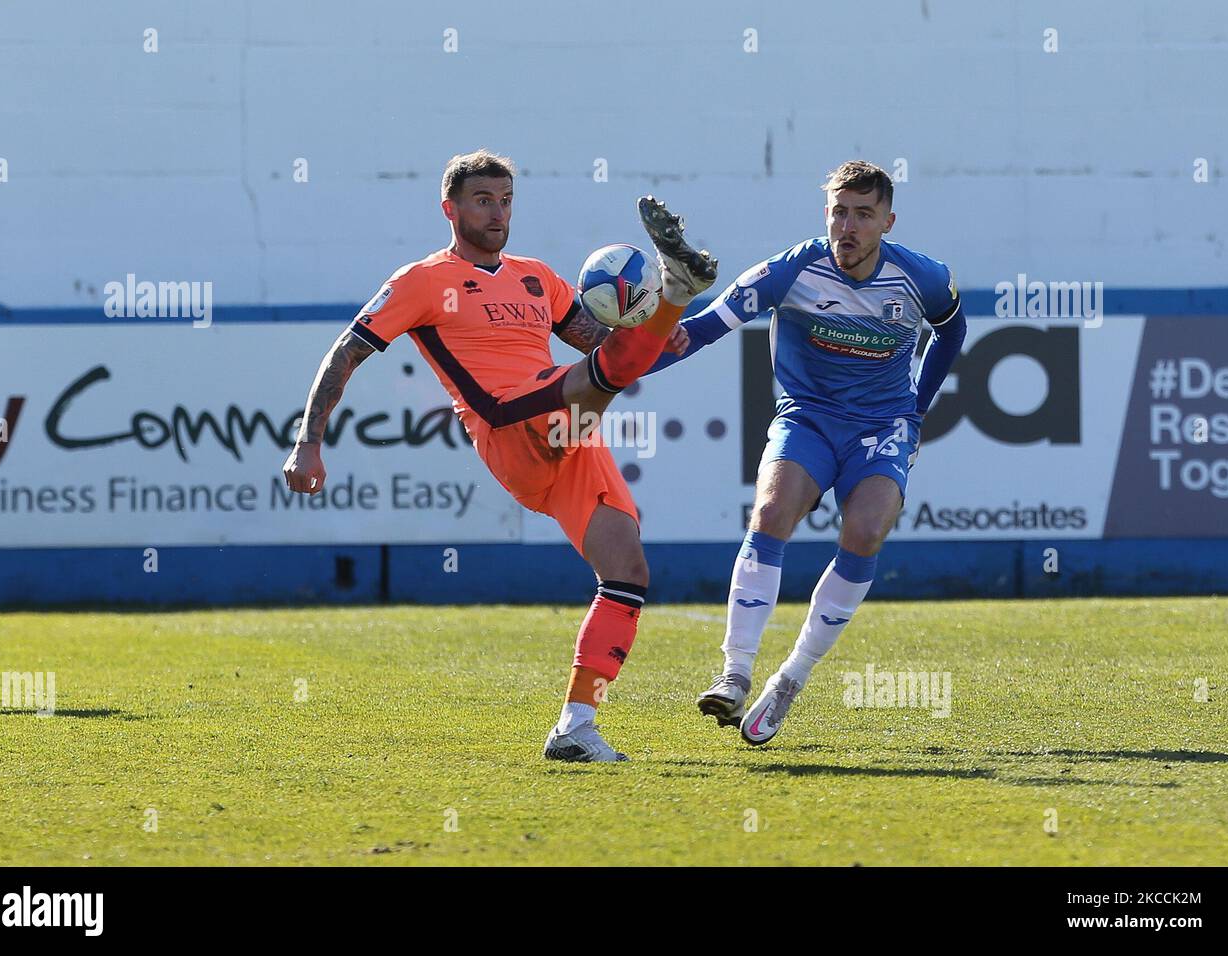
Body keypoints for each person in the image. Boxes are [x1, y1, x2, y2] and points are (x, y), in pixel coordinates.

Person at [282, 149, 716, 762]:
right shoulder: (422, 281)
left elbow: (599, 344)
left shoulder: (537, 276)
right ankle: (676, 289)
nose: (497, 211)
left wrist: (648, 332)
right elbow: (346, 352)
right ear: (450, 208)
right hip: (509, 422)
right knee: (599, 378)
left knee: (626, 571)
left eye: (505, 199)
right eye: (483, 200)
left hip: (566, 430)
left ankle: (575, 725)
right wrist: (309, 442)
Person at [647, 159, 967, 745]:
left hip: (882, 426)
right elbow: (702, 329)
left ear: (887, 222)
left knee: (866, 532)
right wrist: (614, 368)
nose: (848, 226)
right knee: (770, 515)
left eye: (863, 215)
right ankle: (734, 674)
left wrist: (917, 410)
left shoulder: (922, 278)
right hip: (809, 420)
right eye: (839, 212)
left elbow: (951, 327)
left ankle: (792, 676)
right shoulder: (792, 270)